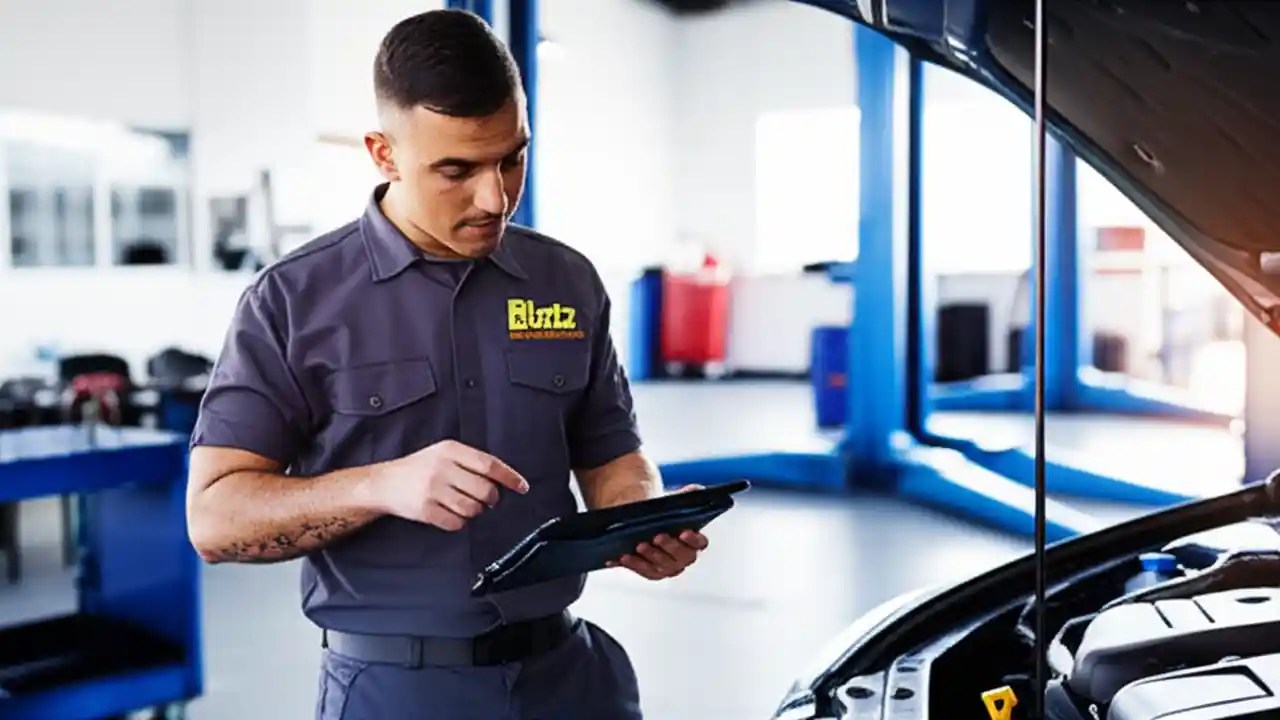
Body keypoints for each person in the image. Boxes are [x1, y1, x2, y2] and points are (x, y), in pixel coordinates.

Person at [184, 9, 709, 719]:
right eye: (456, 170)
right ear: (384, 152)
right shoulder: (293, 299)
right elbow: (214, 521)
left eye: (512, 158)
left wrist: (641, 518)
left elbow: (614, 455)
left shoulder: (567, 282)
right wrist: (381, 486)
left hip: (572, 681)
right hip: (398, 691)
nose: (495, 198)